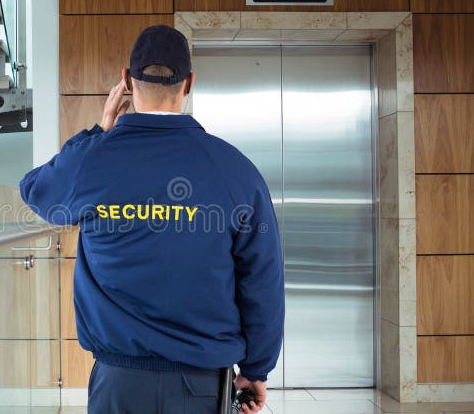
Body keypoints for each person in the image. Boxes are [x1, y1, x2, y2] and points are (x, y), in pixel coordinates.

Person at [20, 25, 284, 414]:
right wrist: (257, 368)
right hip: (202, 386)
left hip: (117, 386)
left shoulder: (93, 160)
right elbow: (262, 278)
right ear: (189, 83)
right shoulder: (235, 169)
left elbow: (36, 191)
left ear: (127, 80)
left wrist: (98, 132)